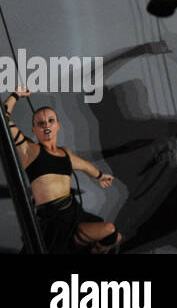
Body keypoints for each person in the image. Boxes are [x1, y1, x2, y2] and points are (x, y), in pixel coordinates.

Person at [4, 88, 121, 253]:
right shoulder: (29, 150)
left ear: (58, 125)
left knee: (116, 237)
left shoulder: (65, 153)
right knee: (108, 229)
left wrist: (100, 176)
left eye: (50, 121)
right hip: (54, 221)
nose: (46, 126)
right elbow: (2, 117)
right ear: (34, 130)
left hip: (73, 213)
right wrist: (16, 95)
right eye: (40, 123)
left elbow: (85, 166)